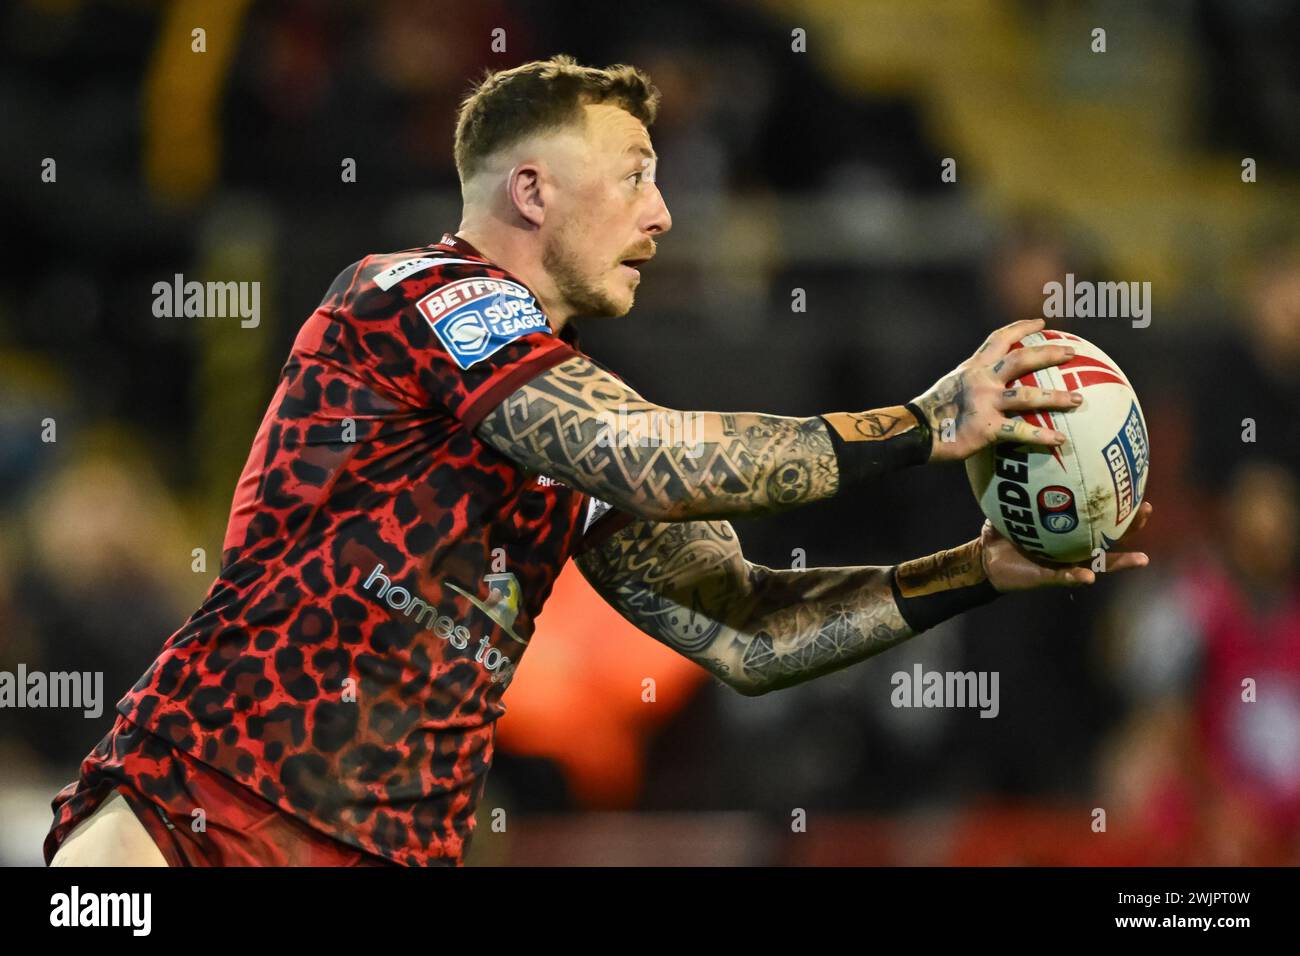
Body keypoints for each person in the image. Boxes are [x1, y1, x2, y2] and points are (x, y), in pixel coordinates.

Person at [45, 55, 1150, 868]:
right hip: (191, 812)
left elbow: (748, 629)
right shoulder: (417, 297)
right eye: (633, 176)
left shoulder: (561, 408)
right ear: (531, 191)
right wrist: (918, 423)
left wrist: (974, 568)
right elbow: (644, 451)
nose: (663, 213)